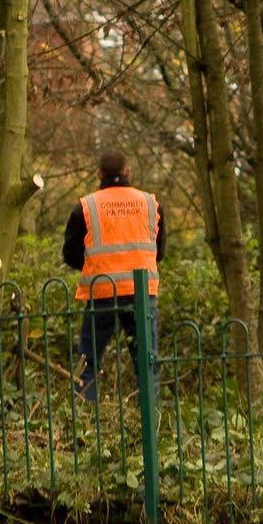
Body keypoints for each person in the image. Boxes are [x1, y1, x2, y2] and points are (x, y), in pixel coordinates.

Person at [63, 151, 165, 403]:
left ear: (99, 174)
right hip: (141, 294)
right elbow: (158, 252)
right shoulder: (150, 204)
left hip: (102, 293)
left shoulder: (86, 207)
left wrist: (99, 268)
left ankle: (86, 421)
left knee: (88, 361)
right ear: (128, 172)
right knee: (146, 362)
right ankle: (151, 423)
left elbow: (70, 254)